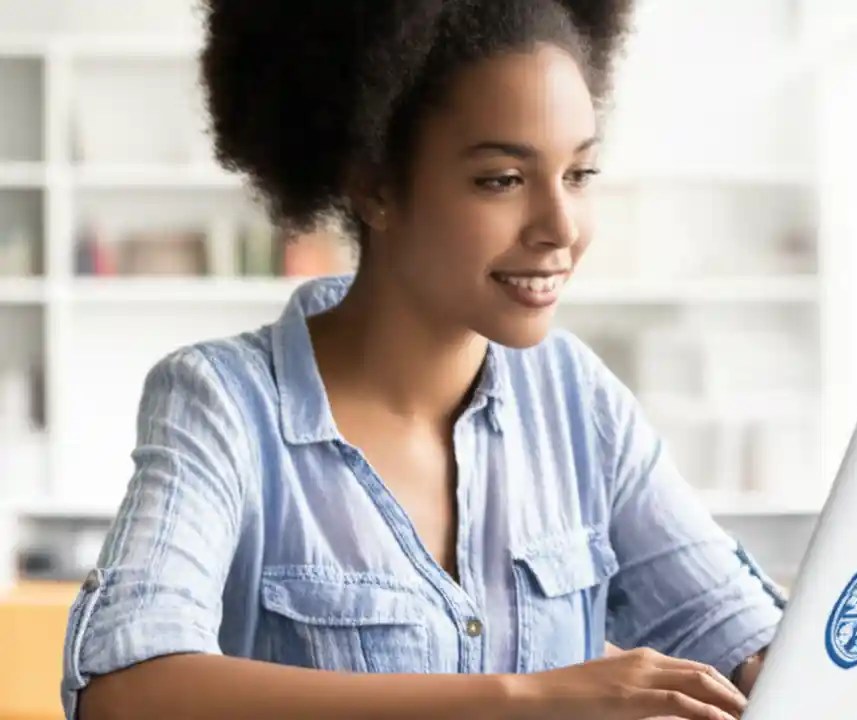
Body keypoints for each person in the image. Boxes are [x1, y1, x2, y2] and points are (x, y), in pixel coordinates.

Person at [59, 2, 786, 719]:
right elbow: (126, 691)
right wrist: (529, 698)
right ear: (375, 184)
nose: (560, 227)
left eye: (579, 174)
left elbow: (737, 638)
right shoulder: (223, 402)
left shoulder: (576, 397)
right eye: (502, 179)